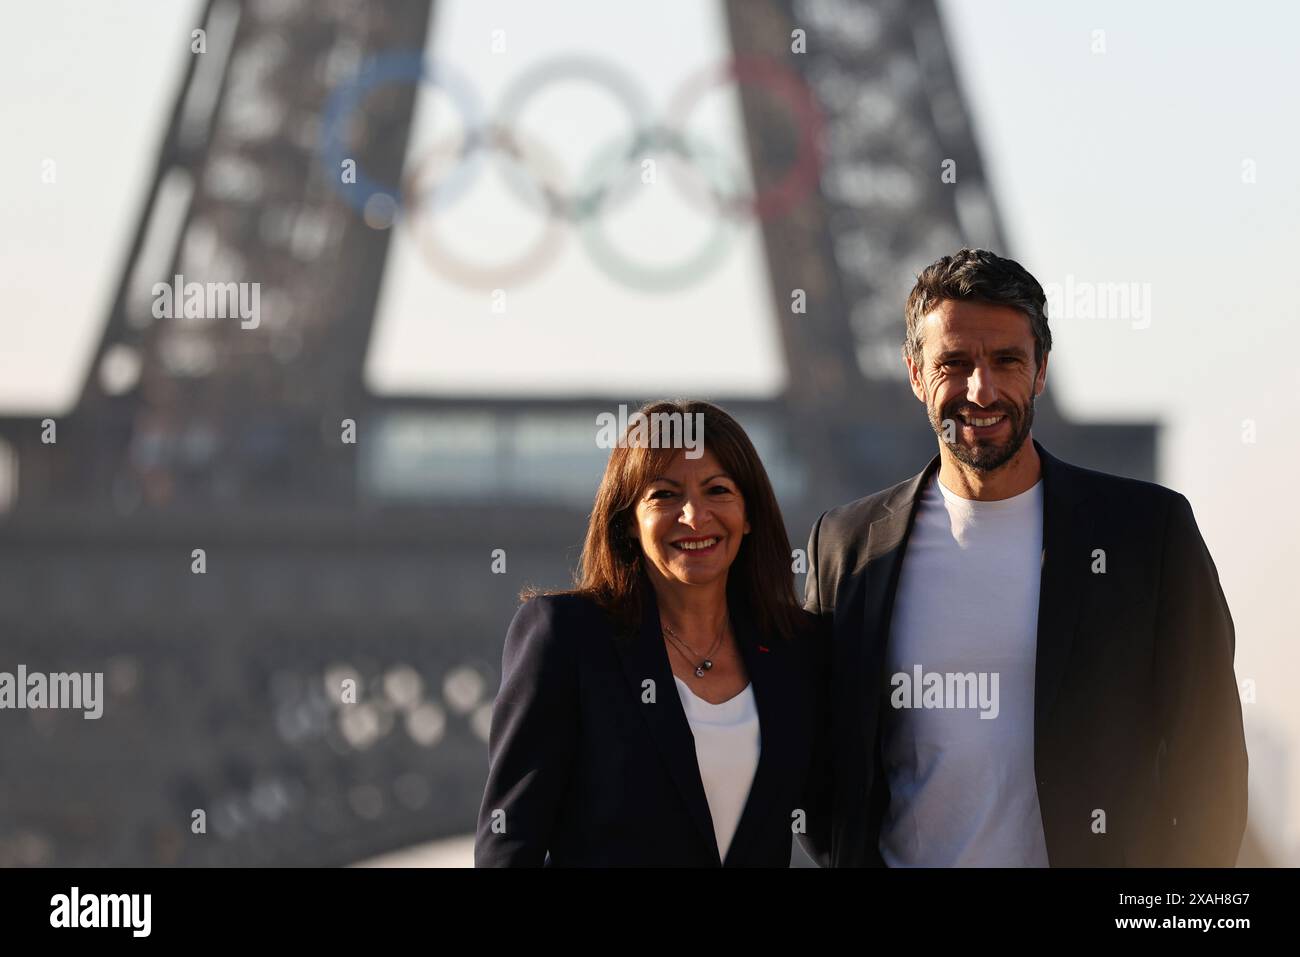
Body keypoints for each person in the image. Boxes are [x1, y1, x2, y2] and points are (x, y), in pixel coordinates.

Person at [801, 248, 1248, 867]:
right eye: (953, 363)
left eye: (1006, 360)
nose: (980, 389)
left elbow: (1211, 761)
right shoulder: (847, 546)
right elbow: (820, 769)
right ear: (913, 372)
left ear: (1040, 371)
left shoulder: (1148, 534)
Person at [475, 399, 827, 866]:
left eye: (718, 490)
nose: (694, 516)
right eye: (664, 495)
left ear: (750, 515)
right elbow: (509, 843)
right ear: (627, 524)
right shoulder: (568, 638)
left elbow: (842, 824)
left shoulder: (797, 649)